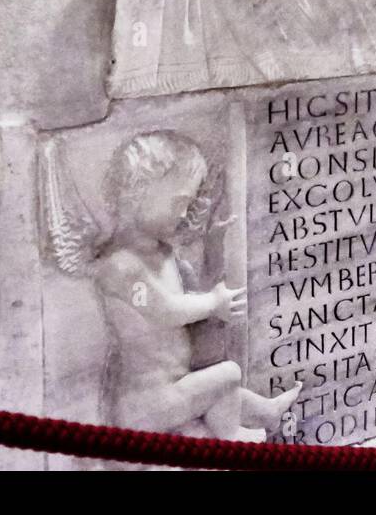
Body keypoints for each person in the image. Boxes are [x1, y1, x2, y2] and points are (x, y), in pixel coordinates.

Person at [95, 131, 300, 440]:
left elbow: (197, 294)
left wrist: (214, 248)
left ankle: (266, 413)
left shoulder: (164, 252)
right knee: (228, 374)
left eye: (188, 204)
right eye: (179, 202)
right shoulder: (121, 264)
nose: (183, 214)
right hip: (143, 404)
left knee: (224, 388)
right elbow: (167, 311)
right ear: (139, 192)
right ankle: (231, 440)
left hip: (176, 387)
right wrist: (213, 304)